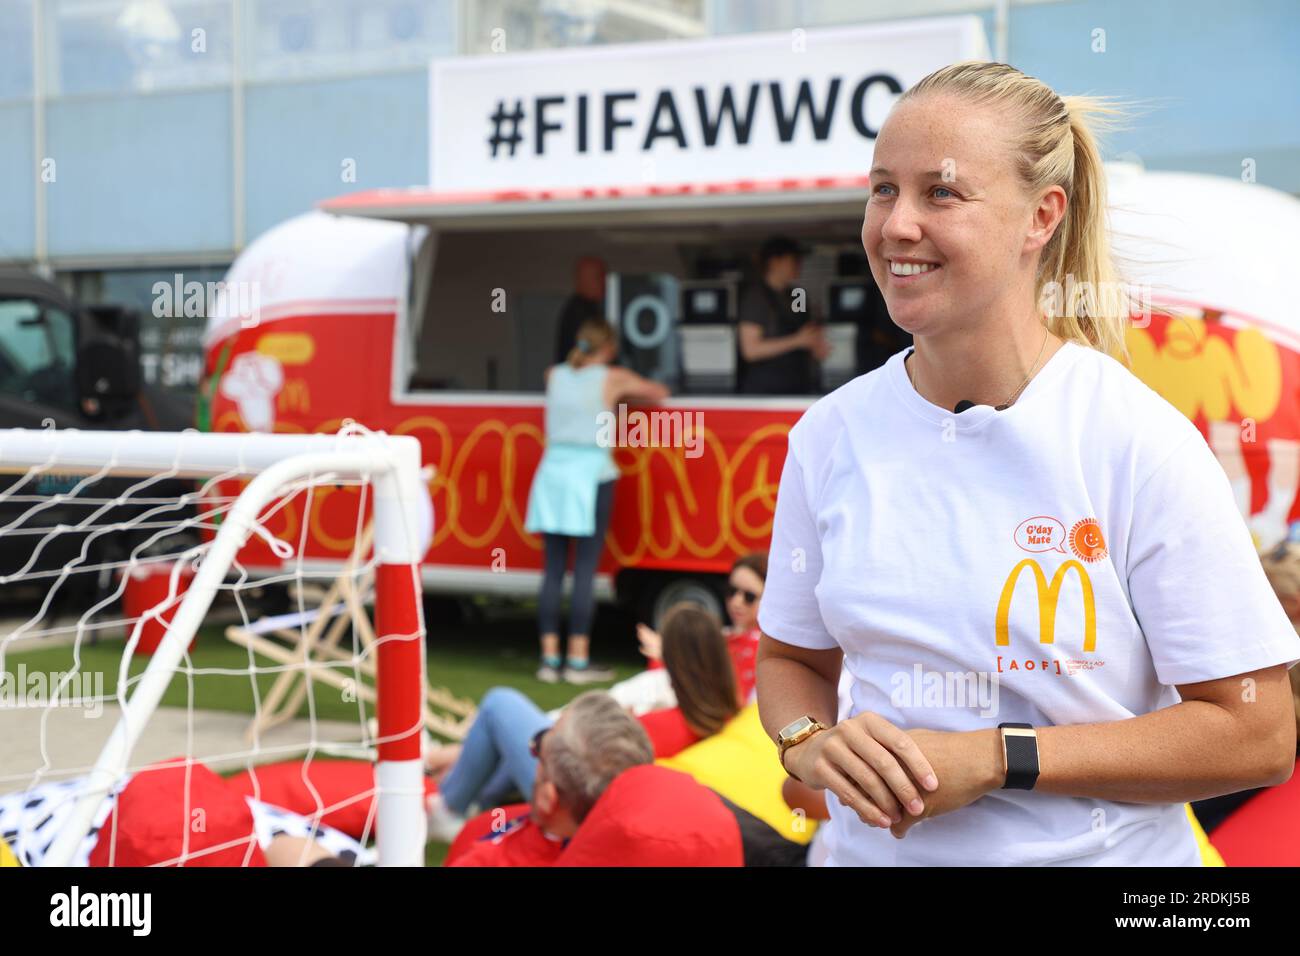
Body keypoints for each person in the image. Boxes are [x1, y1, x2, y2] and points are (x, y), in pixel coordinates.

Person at [756, 60, 1300, 867]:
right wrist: (807, 740)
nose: (896, 225)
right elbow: (790, 658)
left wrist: (999, 757)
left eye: (940, 193)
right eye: (882, 189)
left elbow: (1258, 733)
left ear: (1040, 216)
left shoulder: (1135, 442)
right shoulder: (829, 436)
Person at [424, 602, 741, 840]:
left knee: (500, 705)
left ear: (676, 660)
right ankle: (462, 795)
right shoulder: (721, 709)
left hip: (579, 800)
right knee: (516, 733)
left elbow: (588, 749)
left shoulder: (663, 723)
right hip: (594, 794)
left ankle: (448, 806)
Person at [525, 315, 669, 684]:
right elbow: (659, 392)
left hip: (552, 474)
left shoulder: (552, 375)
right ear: (609, 346)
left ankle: (548, 659)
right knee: (585, 569)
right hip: (591, 475)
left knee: (553, 570)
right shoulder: (612, 376)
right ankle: (577, 661)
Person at [445, 691, 654, 866]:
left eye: (538, 747)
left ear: (548, 798)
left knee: (499, 701)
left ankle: (446, 806)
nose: (531, 750)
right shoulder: (661, 847)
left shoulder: (482, 854)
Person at [636, 550, 768, 704]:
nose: (736, 602)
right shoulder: (724, 635)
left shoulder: (762, 647)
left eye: (749, 597)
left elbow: (726, 698)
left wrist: (668, 657)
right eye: (731, 592)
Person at [736, 236, 830, 395]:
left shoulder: (797, 295)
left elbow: (805, 331)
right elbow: (751, 350)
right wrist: (797, 341)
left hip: (799, 386)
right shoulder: (756, 298)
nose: (799, 264)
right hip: (766, 393)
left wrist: (816, 344)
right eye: (794, 259)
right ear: (775, 262)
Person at [553, 256, 607, 364]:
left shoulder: (586, 308)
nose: (604, 282)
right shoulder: (578, 312)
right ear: (584, 279)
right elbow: (584, 348)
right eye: (598, 277)